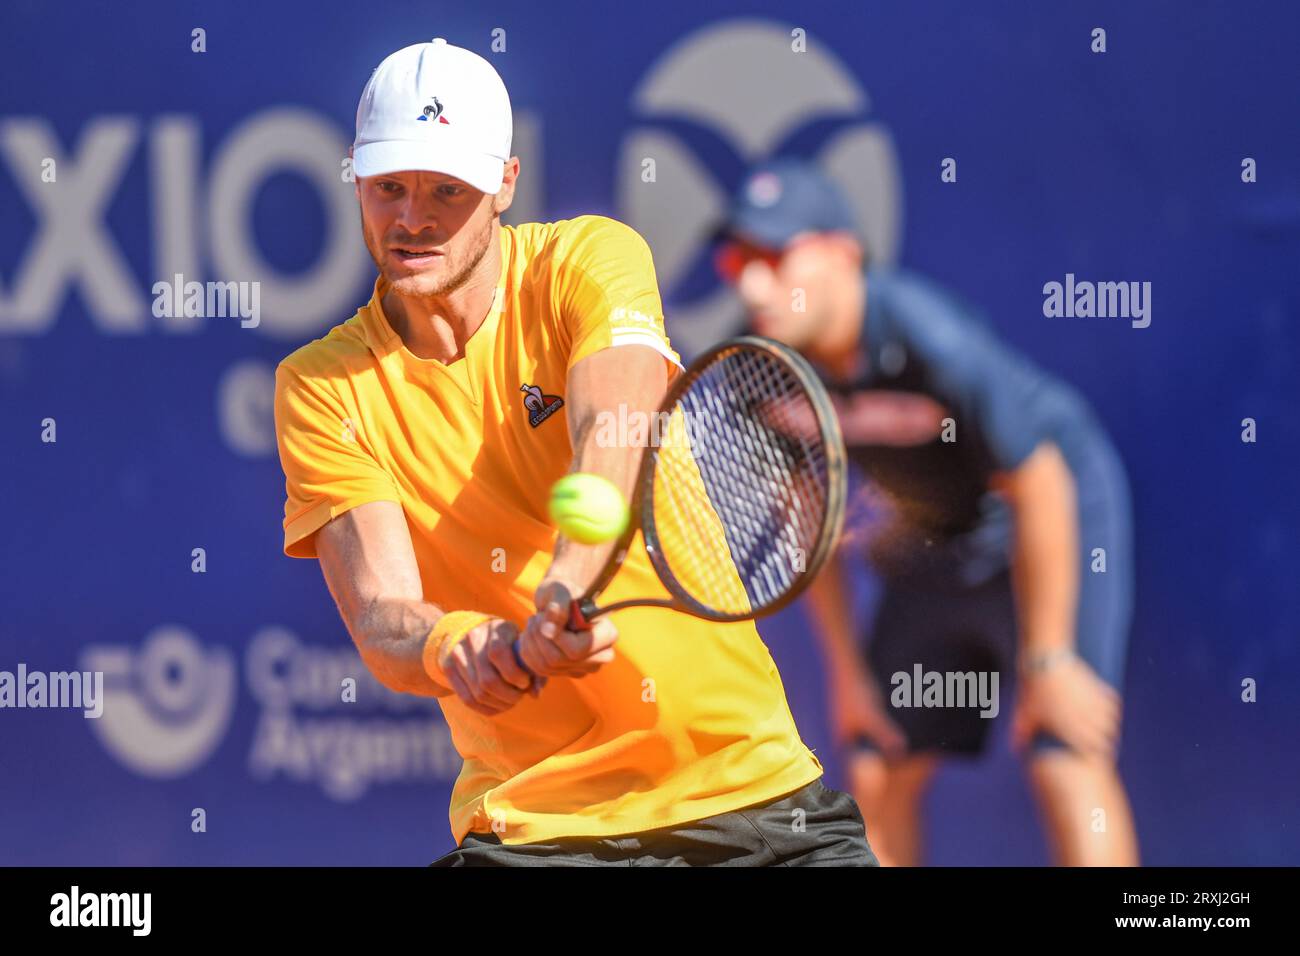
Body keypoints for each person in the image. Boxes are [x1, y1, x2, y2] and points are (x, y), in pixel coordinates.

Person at [273, 41, 877, 866]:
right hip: (534, 831)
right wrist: (465, 646)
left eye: (448, 189)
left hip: (750, 794)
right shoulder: (320, 385)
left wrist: (571, 577)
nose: (412, 217)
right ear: (356, 181)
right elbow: (382, 618)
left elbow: (615, 432)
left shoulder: (590, 259)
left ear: (505, 186)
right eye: (389, 188)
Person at [714, 158, 1138, 866]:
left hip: (1047, 516)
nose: (753, 282)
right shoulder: (761, 371)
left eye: (777, 256)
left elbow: (1039, 480)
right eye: (738, 259)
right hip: (930, 544)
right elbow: (807, 533)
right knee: (878, 760)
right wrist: (849, 675)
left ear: (843, 252)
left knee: (1063, 746)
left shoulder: (931, 338)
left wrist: (1052, 657)